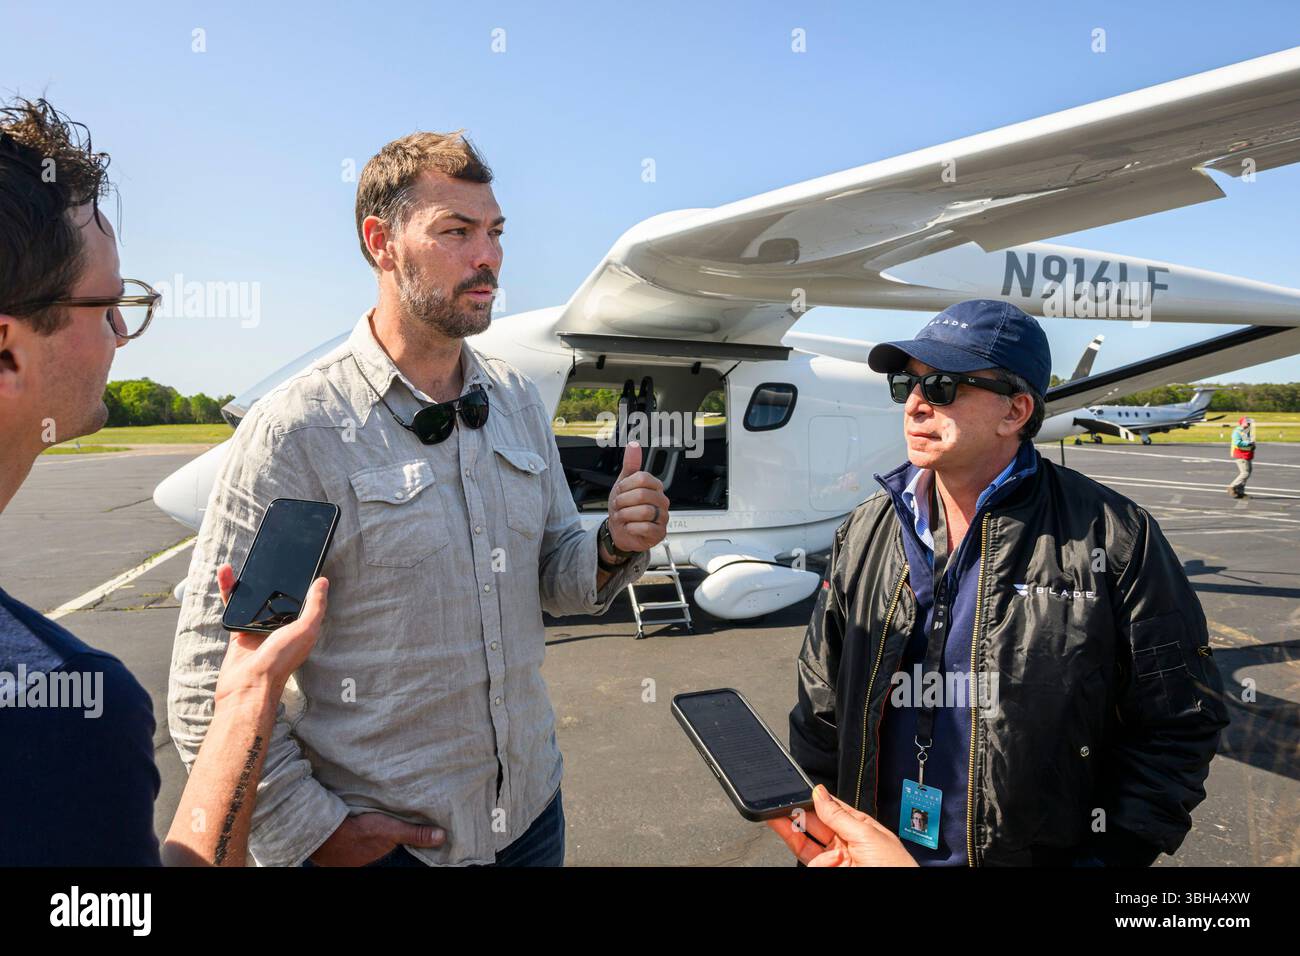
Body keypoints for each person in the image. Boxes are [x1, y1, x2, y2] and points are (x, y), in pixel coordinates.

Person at [169, 131, 670, 868]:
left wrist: (612, 545)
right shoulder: (305, 432)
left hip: (531, 820)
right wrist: (314, 832)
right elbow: (214, 680)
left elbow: (557, 579)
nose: (489, 256)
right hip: (387, 850)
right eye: (456, 232)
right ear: (381, 242)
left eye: (495, 233)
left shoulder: (515, 400)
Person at [776, 299, 1229, 867]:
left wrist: (1108, 860)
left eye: (941, 387)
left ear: (1015, 411)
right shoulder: (867, 527)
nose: (915, 405)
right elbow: (821, 701)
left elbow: (1179, 722)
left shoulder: (1114, 536)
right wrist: (824, 832)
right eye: (906, 385)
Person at [0, 97, 329, 866]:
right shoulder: (61, 714)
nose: (121, 335)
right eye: (109, 306)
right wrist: (249, 693)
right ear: (8, 351)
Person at [1228, 415, 1255, 498]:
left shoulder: (1247, 431)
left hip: (1247, 454)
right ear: (1242, 422)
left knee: (1248, 473)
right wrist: (1249, 444)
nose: (1249, 423)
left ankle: (1240, 492)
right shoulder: (1237, 431)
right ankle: (1232, 486)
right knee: (1245, 473)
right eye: (1247, 421)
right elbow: (1237, 443)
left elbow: (1249, 440)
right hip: (1240, 454)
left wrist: (1251, 445)